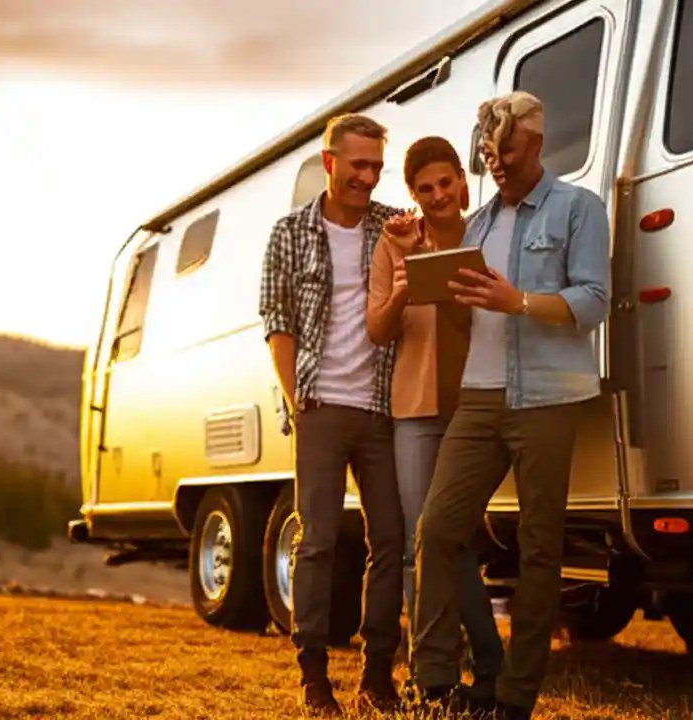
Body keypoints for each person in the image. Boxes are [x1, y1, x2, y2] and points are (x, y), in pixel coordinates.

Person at [409, 91, 611, 720]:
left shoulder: (580, 207)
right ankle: (436, 683)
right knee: (437, 530)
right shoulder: (479, 225)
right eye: (488, 152)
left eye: (508, 150)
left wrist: (517, 301)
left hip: (547, 398)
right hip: (480, 395)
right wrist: (432, 277)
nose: (495, 162)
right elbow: (468, 313)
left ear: (538, 143)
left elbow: (594, 302)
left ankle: (514, 699)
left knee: (538, 547)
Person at [258, 112, 407, 715]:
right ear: (329, 163)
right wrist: (300, 401)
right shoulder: (288, 233)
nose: (368, 177)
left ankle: (376, 678)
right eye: (357, 166)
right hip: (320, 405)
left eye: (375, 166)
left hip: (379, 408)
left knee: (390, 541)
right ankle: (312, 678)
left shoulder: (393, 228)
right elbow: (278, 321)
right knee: (316, 541)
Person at [365, 135, 505, 704]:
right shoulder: (395, 242)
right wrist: (403, 285)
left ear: (462, 183)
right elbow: (377, 329)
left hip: (476, 407)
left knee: (451, 540)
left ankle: (482, 667)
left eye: (446, 183)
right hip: (417, 412)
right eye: (425, 188)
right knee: (422, 544)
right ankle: (441, 678)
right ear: (413, 195)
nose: (438, 195)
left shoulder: (490, 234)